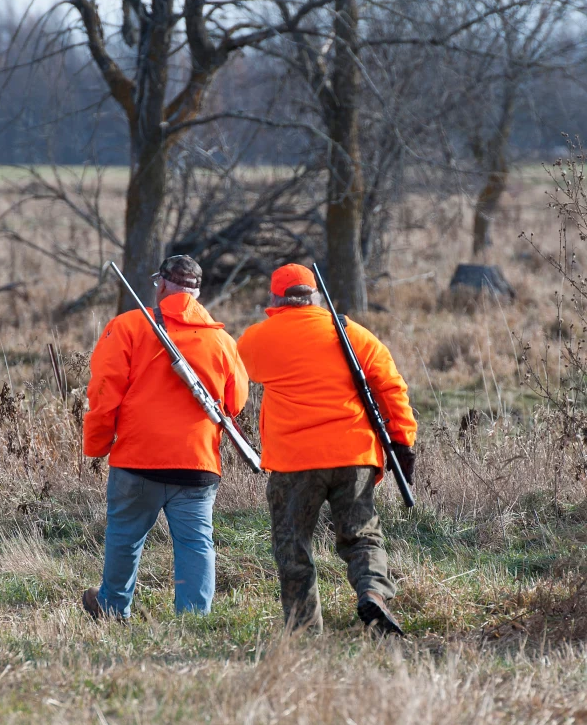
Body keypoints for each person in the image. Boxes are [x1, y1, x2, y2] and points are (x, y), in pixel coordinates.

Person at [236, 264, 417, 636]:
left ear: (274, 299)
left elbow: (241, 377)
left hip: (294, 461)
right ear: (316, 296)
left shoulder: (257, 339)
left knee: (293, 545)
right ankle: (373, 594)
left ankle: (304, 631)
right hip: (354, 455)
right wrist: (402, 442)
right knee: (362, 535)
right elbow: (391, 386)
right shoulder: (353, 333)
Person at [81, 255, 250, 620]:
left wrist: (96, 445)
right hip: (198, 463)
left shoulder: (127, 327)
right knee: (195, 544)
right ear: (198, 292)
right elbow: (235, 403)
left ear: (160, 284)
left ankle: (112, 608)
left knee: (125, 537)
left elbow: (104, 392)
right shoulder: (222, 341)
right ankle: (193, 620)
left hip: (137, 460)